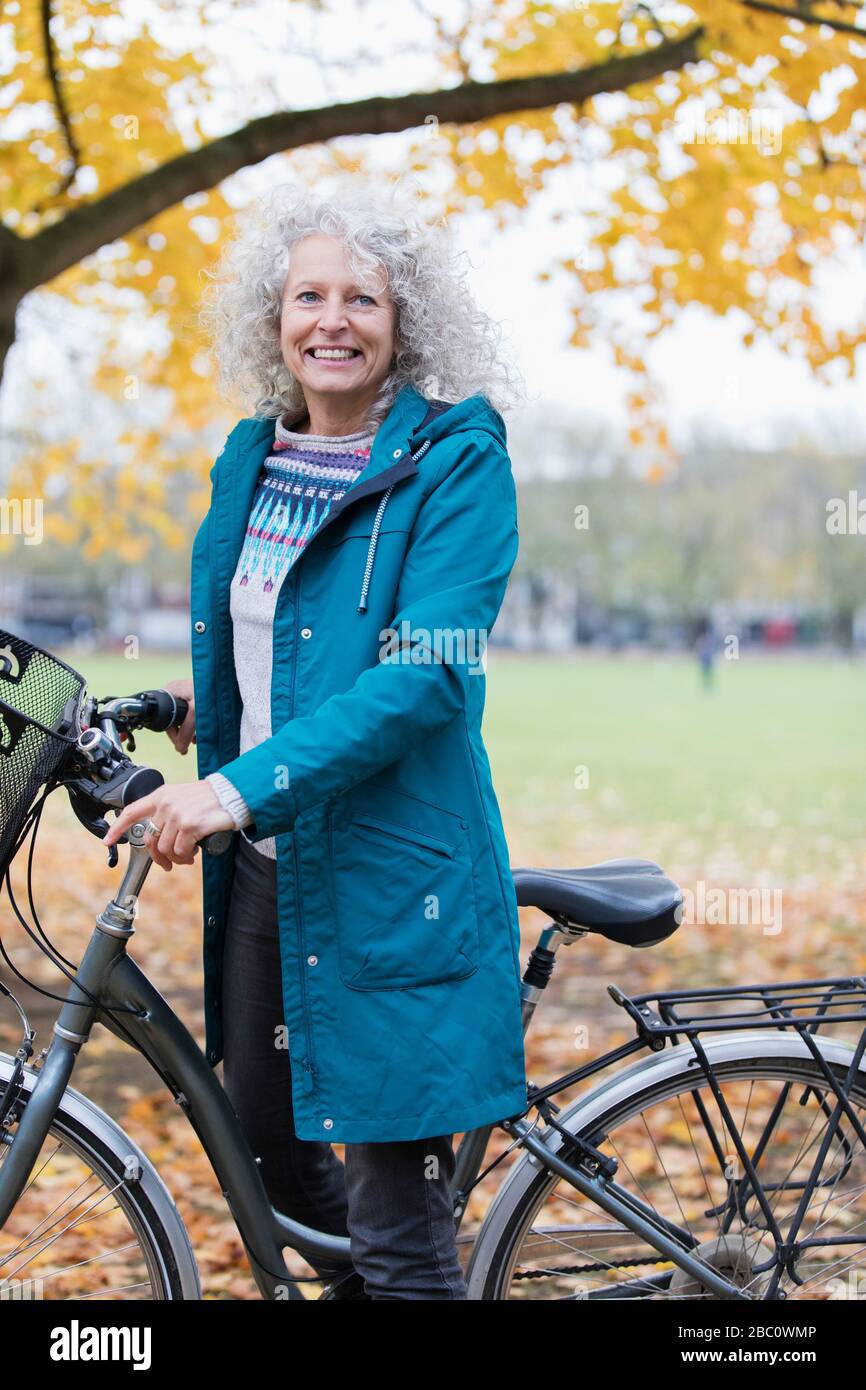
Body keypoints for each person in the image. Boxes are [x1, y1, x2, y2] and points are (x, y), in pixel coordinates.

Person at [103, 177, 528, 1300]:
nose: (330, 319)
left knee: (392, 1221)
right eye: (306, 296)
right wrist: (202, 712)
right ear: (272, 318)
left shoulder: (454, 464)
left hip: (393, 878)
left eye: (362, 299)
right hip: (268, 877)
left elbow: (425, 677)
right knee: (269, 1156)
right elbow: (281, 639)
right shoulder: (252, 457)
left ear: (405, 325)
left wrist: (233, 788)